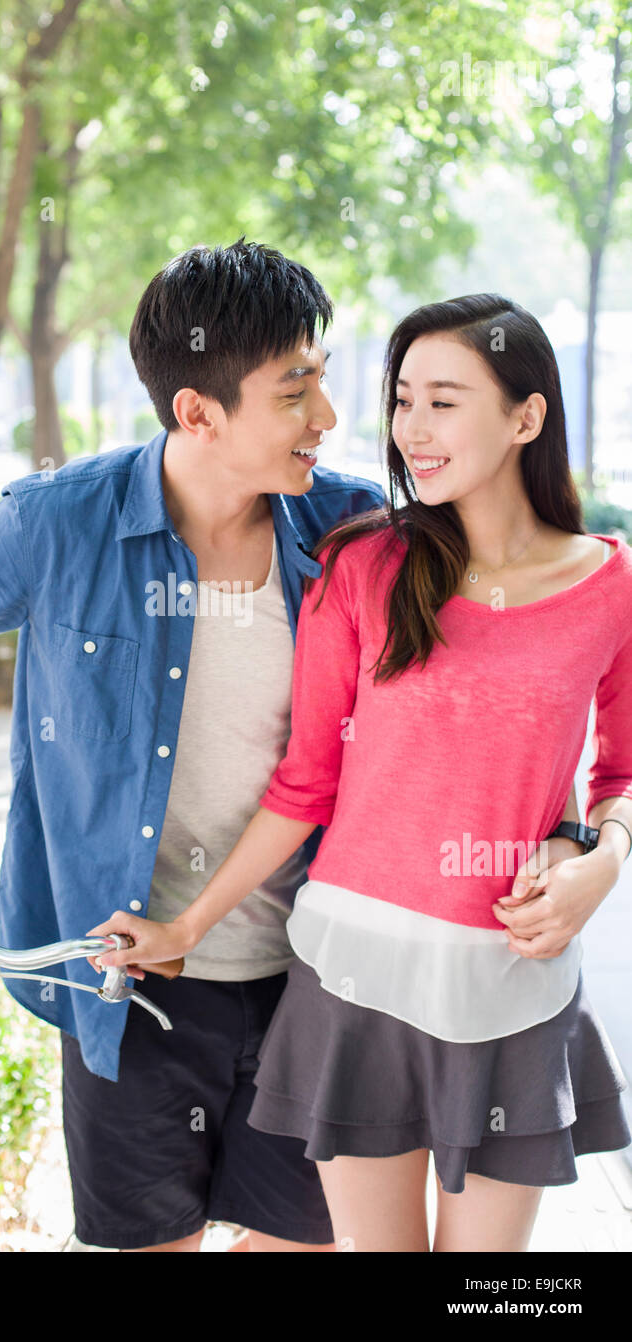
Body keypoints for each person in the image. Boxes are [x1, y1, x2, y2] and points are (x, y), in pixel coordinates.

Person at [0, 239, 394, 1253]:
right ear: (196, 411)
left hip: (308, 978)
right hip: (126, 985)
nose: (326, 419)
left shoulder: (346, 529)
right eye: (294, 391)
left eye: (321, 382)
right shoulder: (62, 524)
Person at [88, 292, 632, 1253]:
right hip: (355, 981)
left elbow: (621, 774)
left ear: (526, 417)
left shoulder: (608, 586)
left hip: (515, 984)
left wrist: (601, 858)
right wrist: (186, 925)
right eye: (402, 399)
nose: (411, 429)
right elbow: (306, 786)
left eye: (444, 401)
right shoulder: (363, 565)